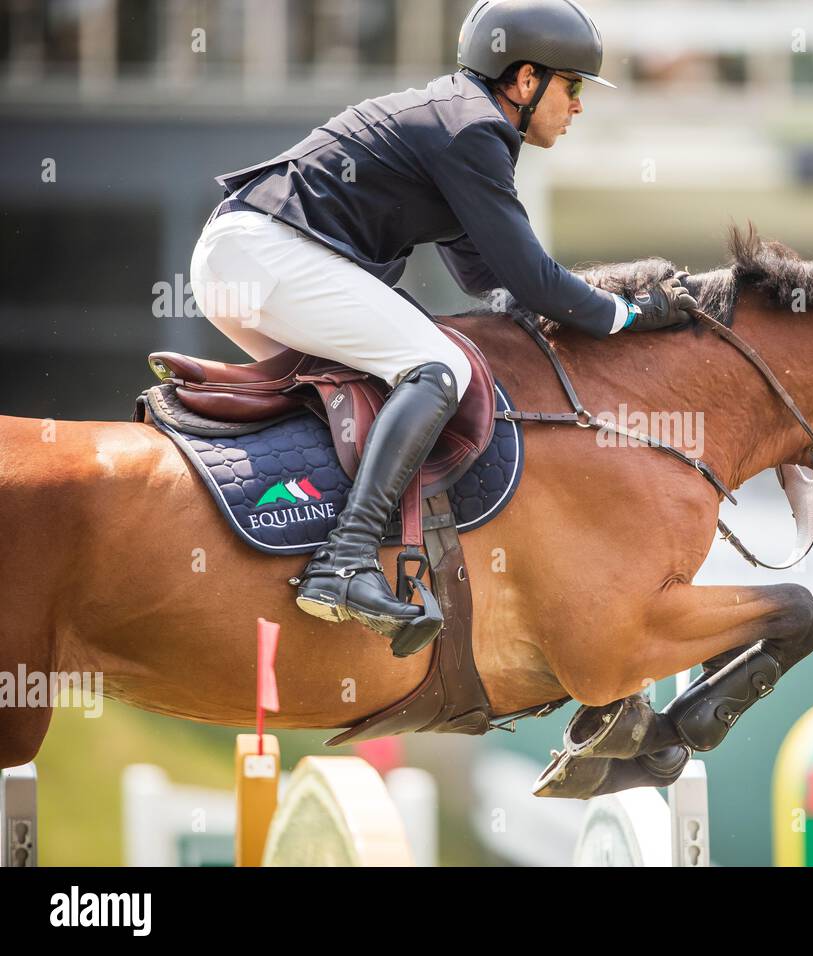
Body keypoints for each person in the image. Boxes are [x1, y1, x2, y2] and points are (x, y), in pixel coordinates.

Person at [189, 0, 697, 653]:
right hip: (265, 255)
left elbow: (484, 275)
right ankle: (343, 563)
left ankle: (304, 532)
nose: (577, 107)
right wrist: (631, 313)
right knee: (440, 368)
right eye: (572, 87)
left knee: (377, 384)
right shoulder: (473, 132)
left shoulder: (461, 122)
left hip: (246, 259)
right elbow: (536, 280)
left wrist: (548, 314)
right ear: (524, 80)